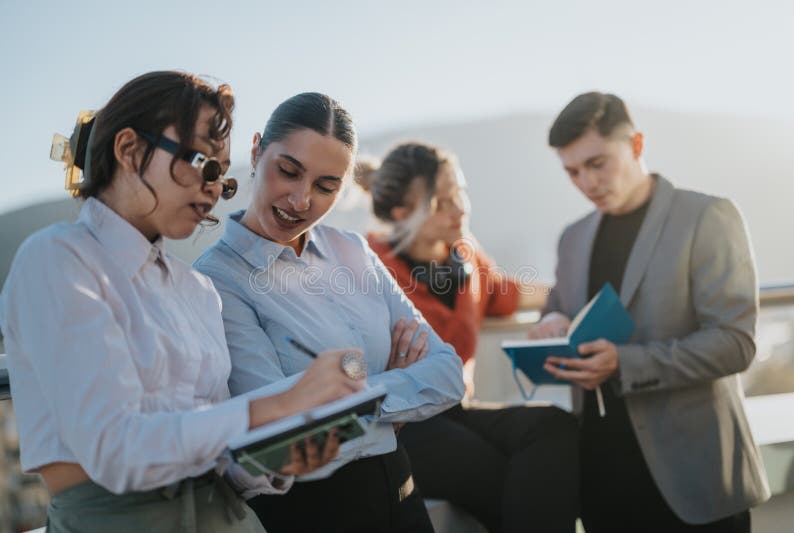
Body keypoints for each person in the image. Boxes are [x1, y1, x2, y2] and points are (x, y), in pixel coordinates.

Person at [0, 71, 364, 533]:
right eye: (202, 164)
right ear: (129, 149)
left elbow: (220, 459)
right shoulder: (57, 261)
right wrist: (277, 406)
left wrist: (279, 457)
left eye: (223, 177)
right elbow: (114, 450)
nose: (214, 188)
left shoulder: (198, 291)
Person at [193, 92, 465, 533]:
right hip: (316, 512)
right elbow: (282, 436)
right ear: (257, 150)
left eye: (326, 186)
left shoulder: (353, 250)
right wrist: (393, 398)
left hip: (403, 490)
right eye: (288, 171)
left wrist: (356, 400)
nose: (301, 200)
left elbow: (448, 373)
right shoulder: (217, 281)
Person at [529, 92, 770, 532]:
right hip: (604, 480)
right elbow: (556, 309)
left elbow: (737, 343)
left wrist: (626, 362)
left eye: (596, 163)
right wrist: (549, 324)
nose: (586, 182)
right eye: (572, 172)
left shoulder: (708, 216)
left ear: (637, 145)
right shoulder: (572, 237)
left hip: (697, 479)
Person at [356, 142, 580, 533]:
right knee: (497, 470)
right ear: (401, 213)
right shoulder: (368, 268)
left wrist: (569, 301)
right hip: (401, 422)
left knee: (554, 427)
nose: (459, 208)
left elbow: (508, 292)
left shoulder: (466, 258)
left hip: (457, 409)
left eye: (459, 192)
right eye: (442, 202)